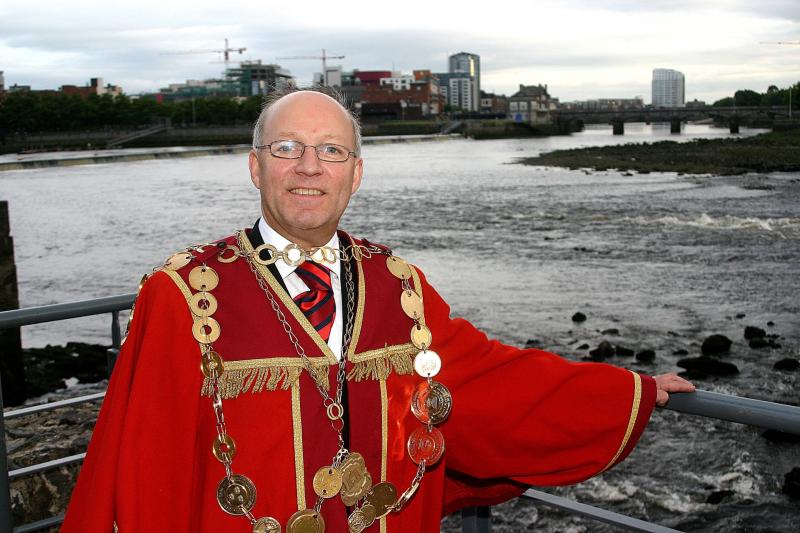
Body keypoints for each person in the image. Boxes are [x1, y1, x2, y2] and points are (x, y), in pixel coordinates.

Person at [62, 87, 694, 533]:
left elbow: (485, 379)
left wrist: (626, 392)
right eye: (288, 148)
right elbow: (144, 468)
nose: (310, 167)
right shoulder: (182, 297)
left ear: (356, 173)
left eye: (331, 152)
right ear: (255, 166)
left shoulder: (397, 285)